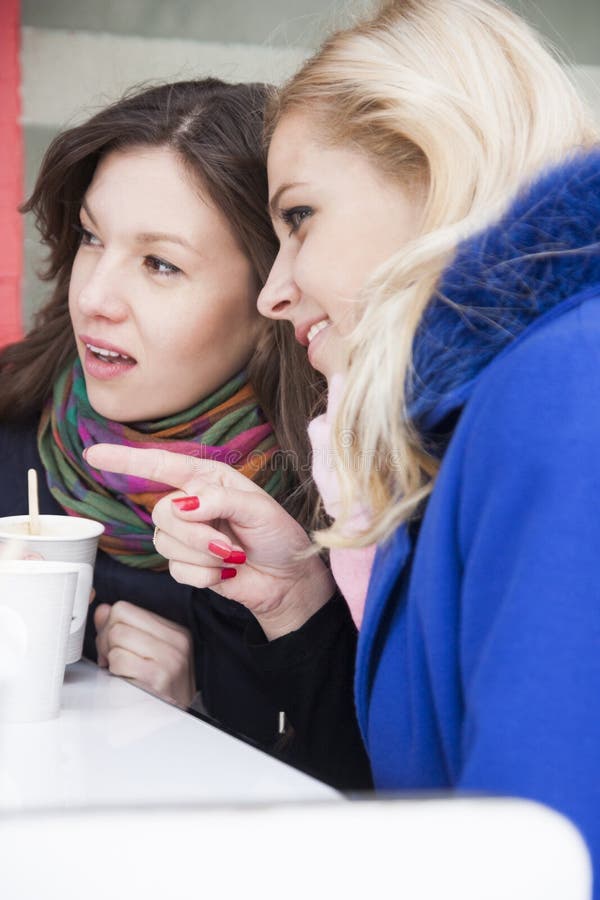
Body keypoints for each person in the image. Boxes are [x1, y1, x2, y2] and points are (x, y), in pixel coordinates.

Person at [87, 0, 600, 885]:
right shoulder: (467, 417)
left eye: (300, 217)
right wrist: (296, 601)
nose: (274, 292)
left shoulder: (563, 386)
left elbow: (535, 857)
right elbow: (415, 810)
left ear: (430, 171)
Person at [0, 77, 371, 790]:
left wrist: (202, 714)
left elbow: (366, 797)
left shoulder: (335, 513)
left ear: (271, 299)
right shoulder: (12, 429)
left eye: (160, 264)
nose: (96, 297)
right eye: (90, 237)